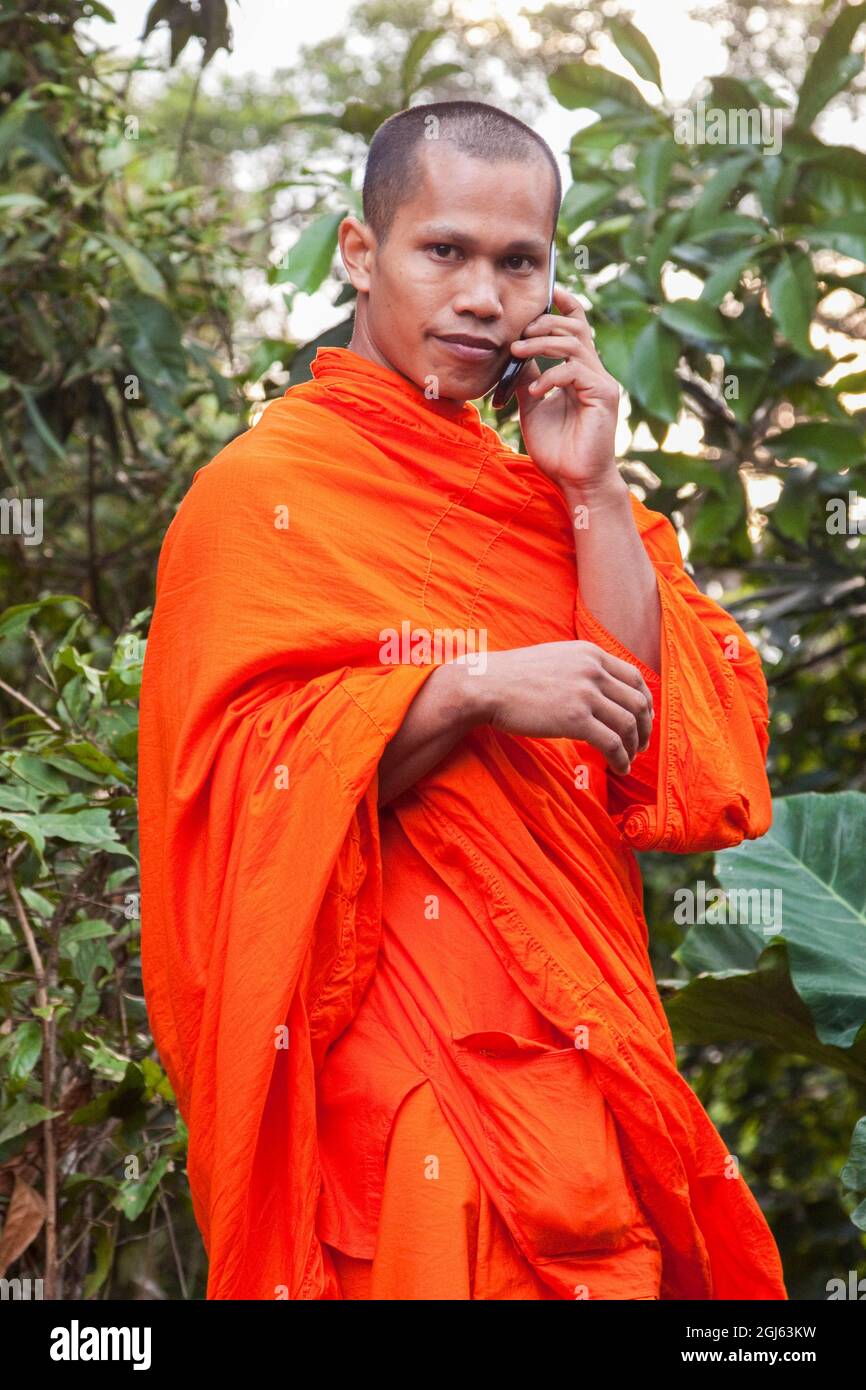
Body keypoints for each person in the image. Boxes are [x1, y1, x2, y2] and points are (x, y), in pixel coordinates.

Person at [138, 99, 788, 1300]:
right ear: (357, 250)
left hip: (577, 1060)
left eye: (517, 261)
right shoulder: (259, 496)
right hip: (397, 1068)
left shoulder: (545, 489)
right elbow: (243, 801)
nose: (483, 296)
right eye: (444, 252)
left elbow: (663, 758)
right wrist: (469, 688)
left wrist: (589, 489)